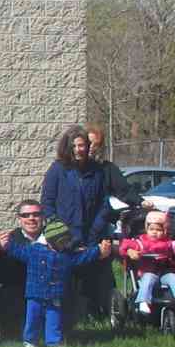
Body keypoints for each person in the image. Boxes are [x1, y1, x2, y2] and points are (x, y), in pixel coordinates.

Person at [0, 198, 113, 347]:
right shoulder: (34, 250)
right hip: (34, 294)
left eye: (66, 241)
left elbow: (83, 257)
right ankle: (30, 341)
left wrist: (99, 251)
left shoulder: (66, 255)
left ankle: (53, 343)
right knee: (32, 318)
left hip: (55, 295)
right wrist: (7, 245)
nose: (64, 244)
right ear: (49, 241)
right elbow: (18, 251)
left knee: (54, 320)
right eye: (61, 242)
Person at [39, 126, 113, 335]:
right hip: (63, 237)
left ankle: (85, 322)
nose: (79, 149)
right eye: (75, 146)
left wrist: (94, 232)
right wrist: (60, 234)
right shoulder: (58, 169)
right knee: (63, 281)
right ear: (68, 147)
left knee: (85, 281)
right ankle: (60, 323)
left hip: (90, 234)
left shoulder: (96, 171)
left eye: (83, 145)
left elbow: (104, 204)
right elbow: (48, 203)